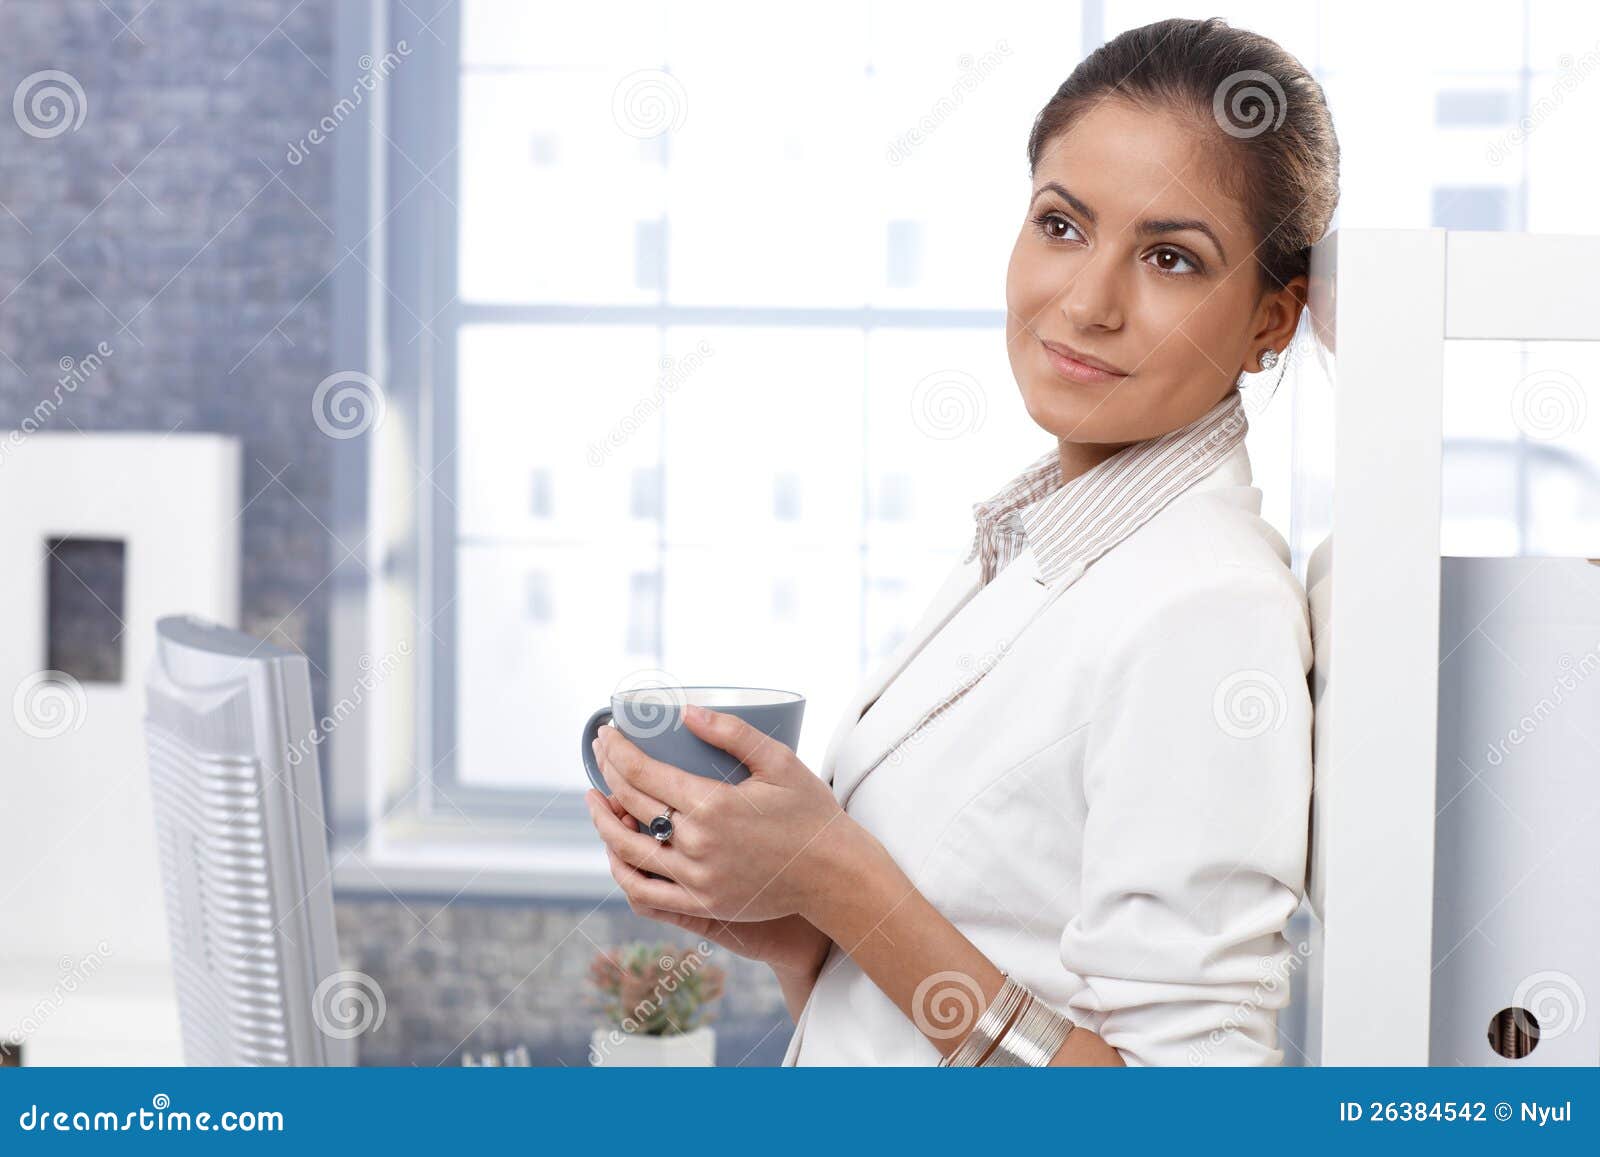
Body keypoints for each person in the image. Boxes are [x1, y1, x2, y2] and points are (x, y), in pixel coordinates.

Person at [585, 15, 1337, 1067]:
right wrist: (800, 925)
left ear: (1270, 320)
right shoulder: (1036, 540)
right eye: (1062, 226)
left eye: (1170, 257)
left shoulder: (1205, 609)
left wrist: (842, 879)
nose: (1084, 300)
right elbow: (962, 962)